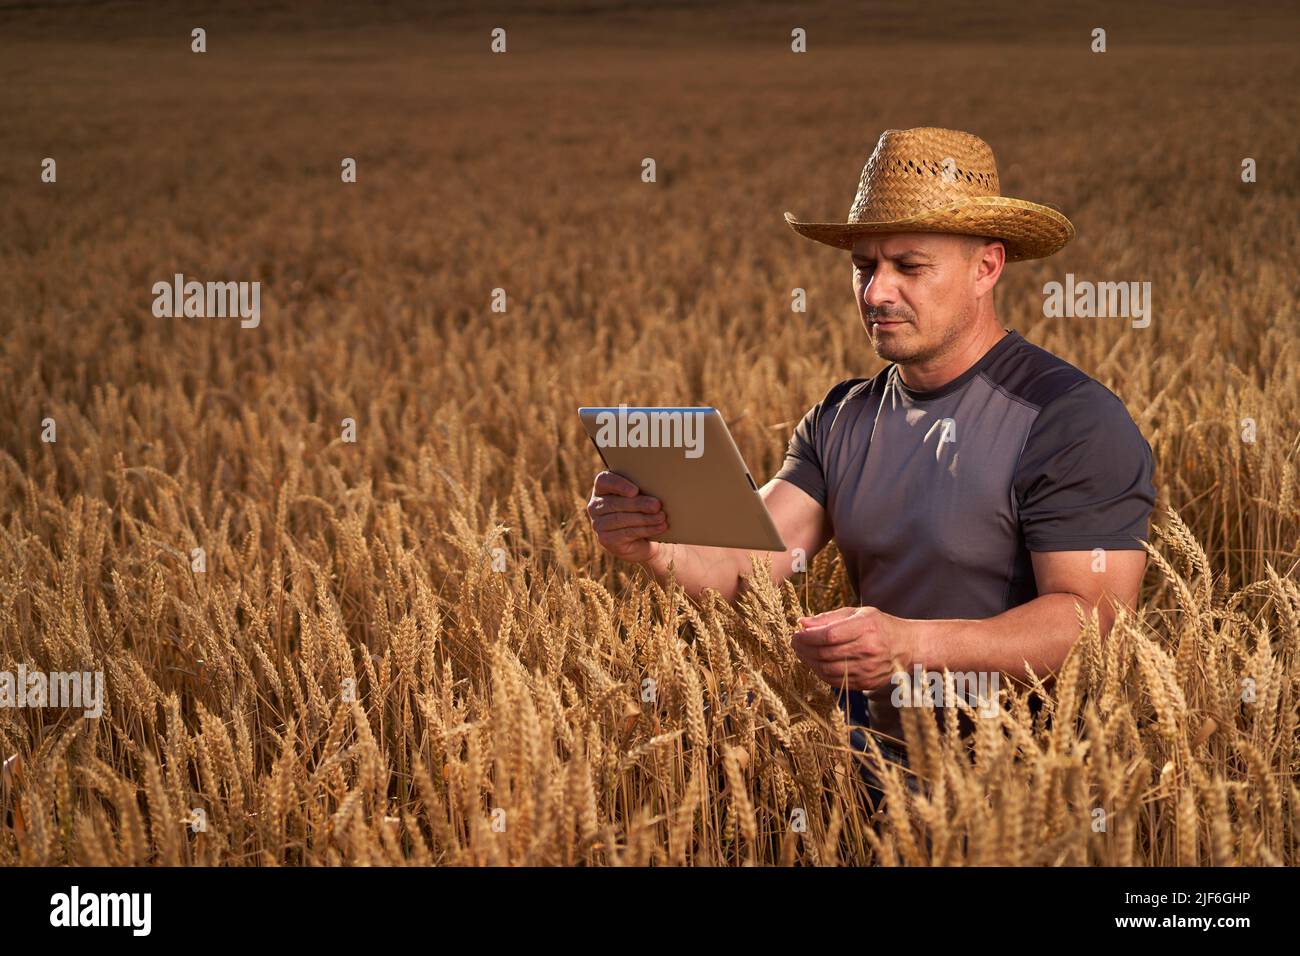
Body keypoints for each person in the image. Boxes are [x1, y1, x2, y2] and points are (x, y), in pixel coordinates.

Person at [585, 126, 1156, 815]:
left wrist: (911, 644)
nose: (877, 292)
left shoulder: (1069, 419)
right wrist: (656, 544)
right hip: (864, 796)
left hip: (1034, 801)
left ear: (987, 267)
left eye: (910, 267)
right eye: (864, 266)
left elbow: (1093, 618)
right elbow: (750, 563)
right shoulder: (841, 418)